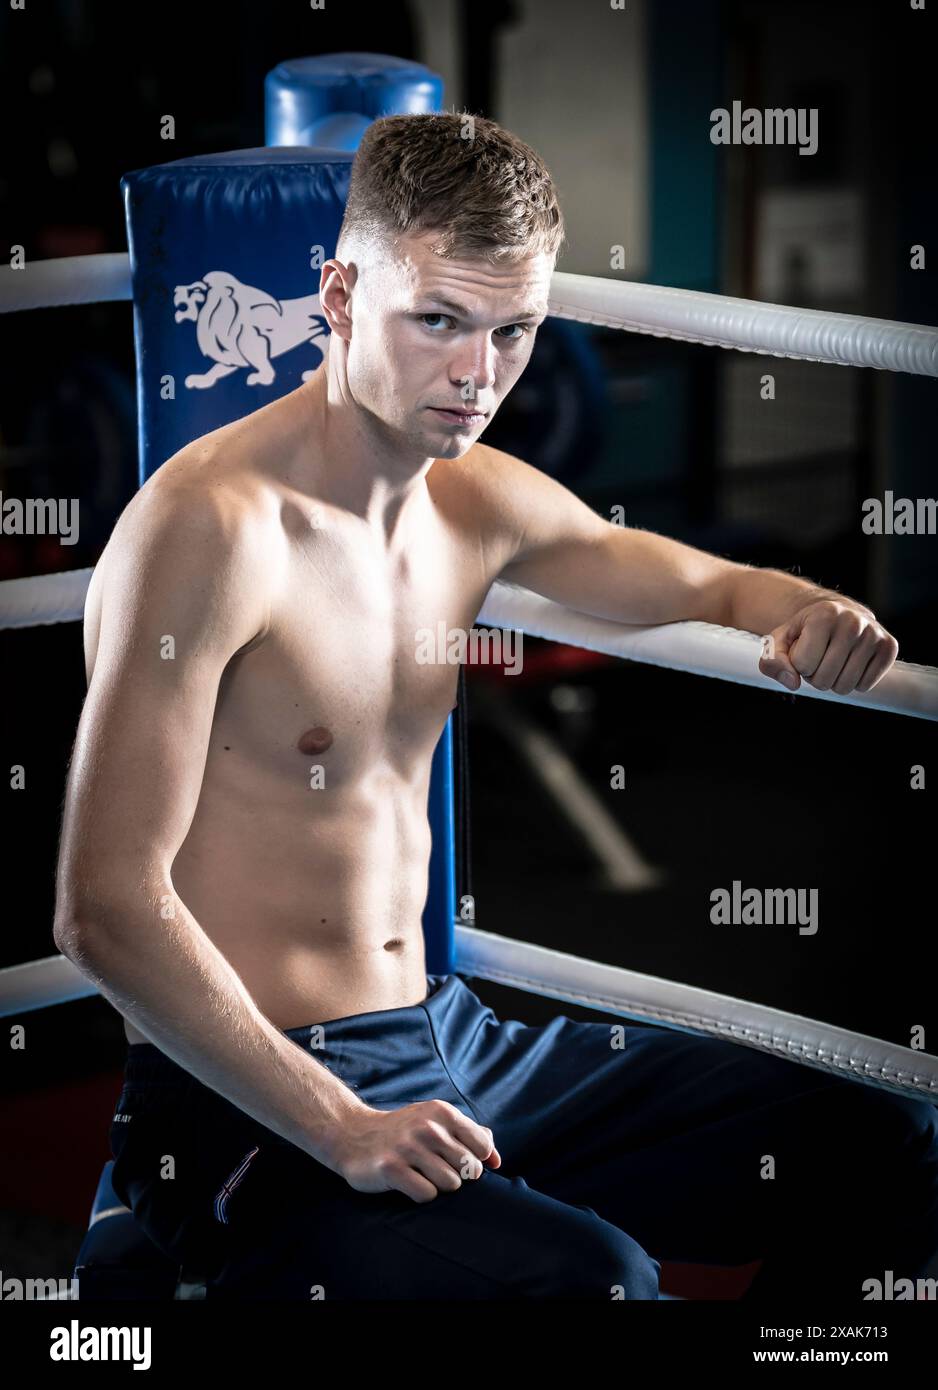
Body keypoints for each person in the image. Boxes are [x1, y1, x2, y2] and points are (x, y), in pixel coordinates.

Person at [53, 112, 937, 1300]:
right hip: (245, 1098)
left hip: (449, 1040)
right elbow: (103, 909)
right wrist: (336, 1123)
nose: (477, 376)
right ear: (338, 295)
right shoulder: (211, 530)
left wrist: (811, 603)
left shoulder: (470, 501)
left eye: (513, 329)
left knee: (883, 1148)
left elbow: (702, 581)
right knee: (594, 1282)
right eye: (438, 321)